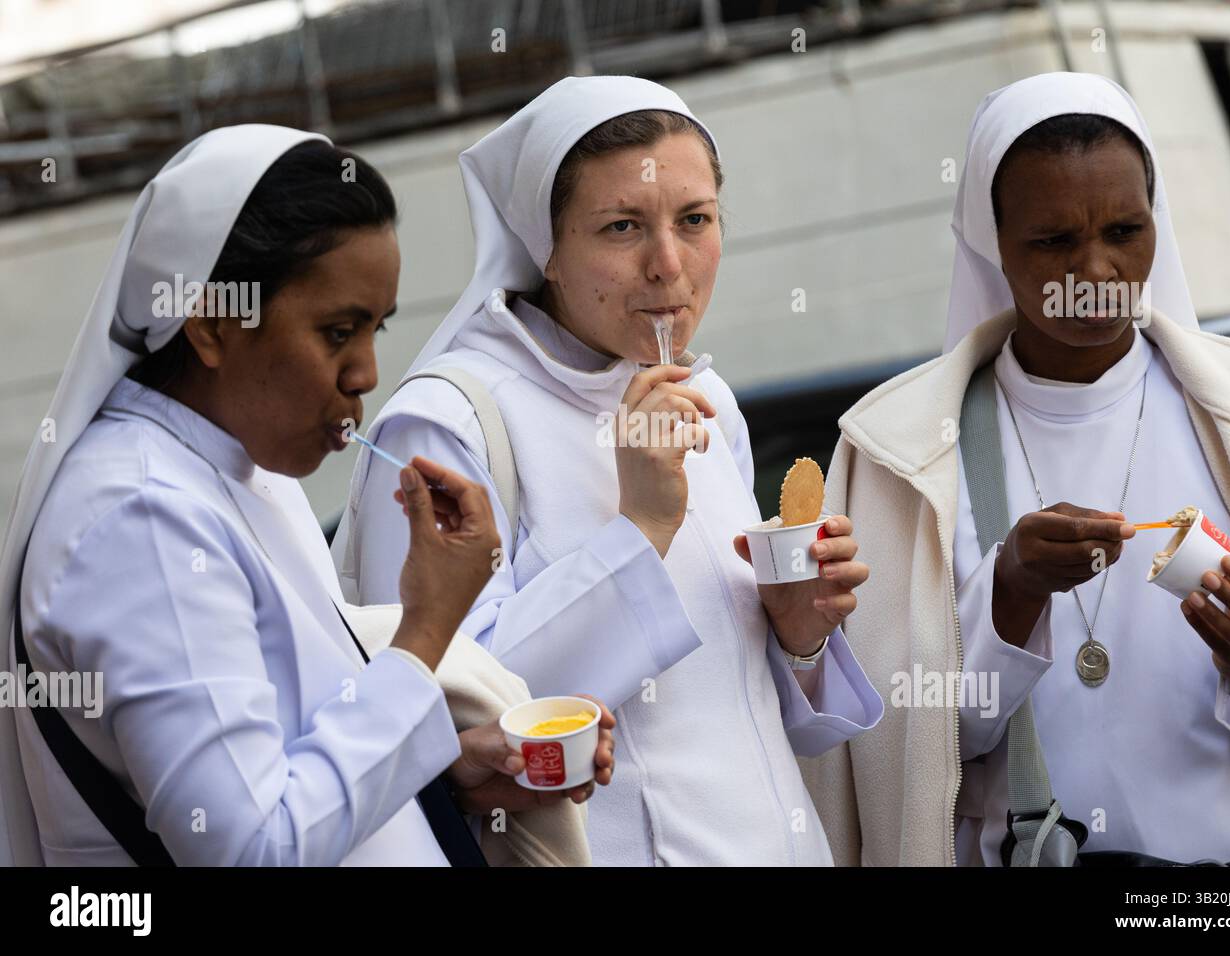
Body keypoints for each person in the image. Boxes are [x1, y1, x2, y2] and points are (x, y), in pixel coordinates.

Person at [0, 125, 613, 866]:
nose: (364, 375)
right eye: (337, 332)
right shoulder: (142, 517)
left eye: (376, 329)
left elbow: (295, 749)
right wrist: (426, 632)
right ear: (214, 323)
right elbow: (250, 848)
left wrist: (448, 771)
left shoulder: (239, 469)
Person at [333, 76, 883, 866]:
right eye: (622, 226)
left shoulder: (708, 398)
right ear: (545, 249)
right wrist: (642, 528)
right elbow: (448, 721)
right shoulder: (451, 422)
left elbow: (747, 715)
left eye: (695, 220)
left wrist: (798, 635)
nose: (669, 266)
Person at [803, 72, 1230, 866]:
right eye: (1053, 241)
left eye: (1126, 231)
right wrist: (1010, 595)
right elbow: (899, 760)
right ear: (988, 241)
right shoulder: (897, 456)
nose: (1095, 272)